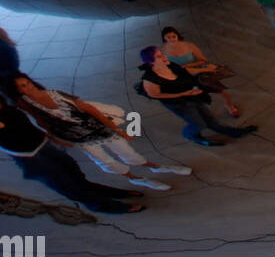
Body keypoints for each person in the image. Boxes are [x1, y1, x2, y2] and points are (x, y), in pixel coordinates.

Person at [11, 74, 189, 189]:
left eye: (26, 84)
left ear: (31, 82)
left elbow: (89, 109)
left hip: (96, 128)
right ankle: (136, 178)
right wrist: (55, 138)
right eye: (21, 88)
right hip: (77, 138)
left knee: (126, 151)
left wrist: (115, 128)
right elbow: (41, 121)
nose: (26, 89)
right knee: (106, 161)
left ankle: (156, 167)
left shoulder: (56, 93)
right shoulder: (25, 104)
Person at [0, 92, 144, 214]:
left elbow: (26, 124)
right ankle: (109, 206)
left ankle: (113, 194)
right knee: (69, 186)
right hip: (29, 157)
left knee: (76, 177)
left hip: (44, 145)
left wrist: (52, 137)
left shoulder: (7, 106)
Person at [139, 47, 257, 144]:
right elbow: (156, 95)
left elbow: (185, 72)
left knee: (209, 119)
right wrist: (182, 94)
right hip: (178, 104)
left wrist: (204, 69)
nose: (164, 57)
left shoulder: (170, 65)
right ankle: (190, 135)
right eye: (159, 56)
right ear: (151, 62)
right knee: (198, 124)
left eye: (162, 54)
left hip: (192, 96)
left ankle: (235, 133)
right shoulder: (150, 79)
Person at [160, 27, 240, 116]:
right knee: (195, 98)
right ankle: (203, 113)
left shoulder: (189, 46)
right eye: (168, 37)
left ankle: (229, 105)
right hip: (184, 79)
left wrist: (186, 66)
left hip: (200, 74)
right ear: (164, 38)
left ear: (177, 36)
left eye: (173, 36)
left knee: (221, 91)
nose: (171, 39)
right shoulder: (162, 50)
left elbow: (203, 60)